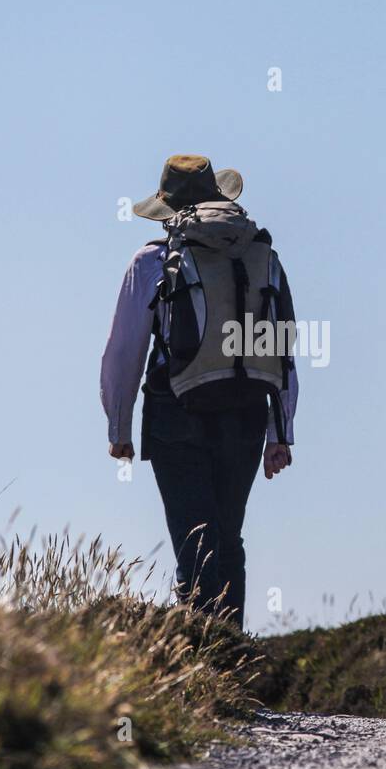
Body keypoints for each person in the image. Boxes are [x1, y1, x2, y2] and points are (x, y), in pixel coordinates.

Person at [100, 155, 298, 626]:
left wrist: (119, 426)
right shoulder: (262, 257)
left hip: (176, 412)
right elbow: (281, 346)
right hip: (247, 409)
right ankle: (231, 661)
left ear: (168, 208)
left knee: (194, 539)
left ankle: (203, 665)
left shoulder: (152, 260)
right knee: (228, 538)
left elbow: (124, 351)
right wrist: (280, 431)